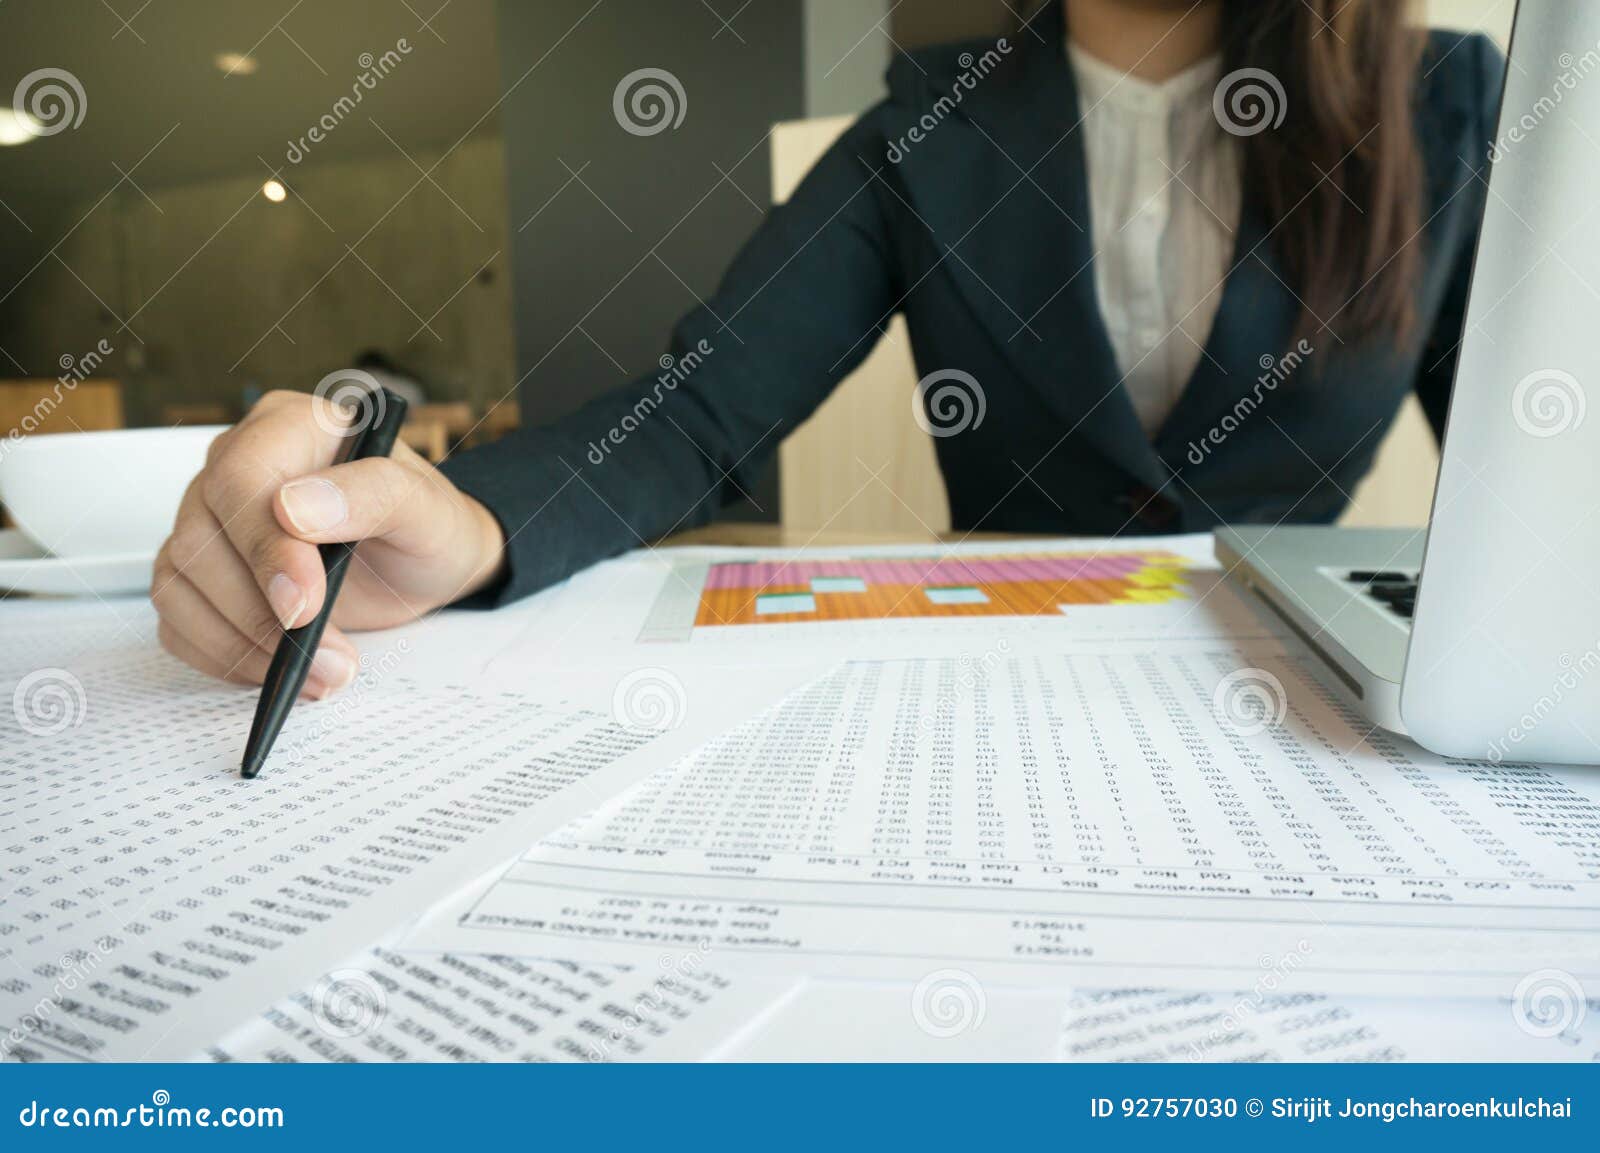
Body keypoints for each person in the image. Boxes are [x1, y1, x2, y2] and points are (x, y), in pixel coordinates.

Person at [150, 0, 1504, 697]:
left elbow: (1535, 461)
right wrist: (465, 516)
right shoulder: (928, 126)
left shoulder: (1454, 105)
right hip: (996, 693)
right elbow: (696, 414)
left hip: (1312, 701)